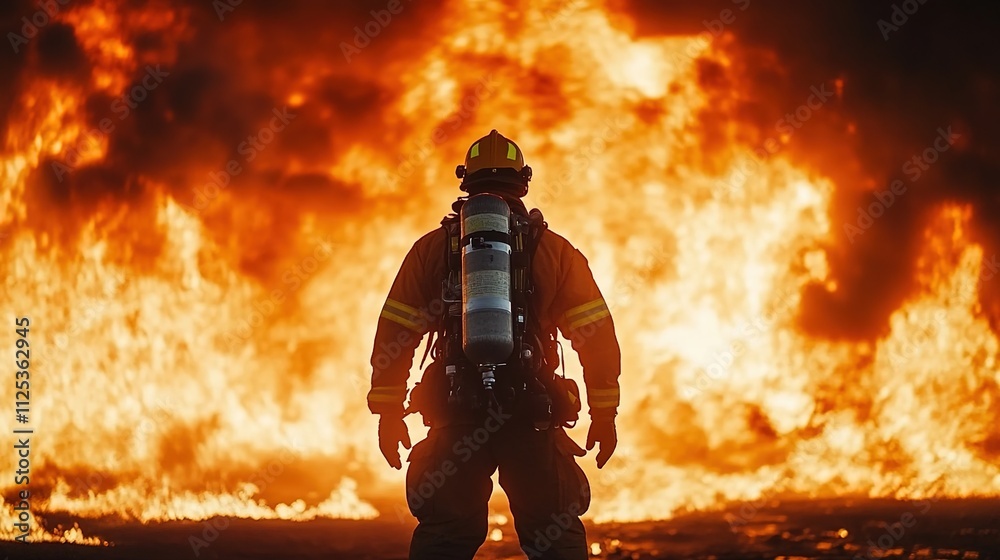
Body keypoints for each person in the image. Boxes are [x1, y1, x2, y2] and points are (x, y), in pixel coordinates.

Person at [367, 129, 621, 560]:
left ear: (465, 181)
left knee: (446, 535)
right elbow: (596, 338)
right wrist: (604, 412)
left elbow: (396, 333)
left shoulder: (432, 250)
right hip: (531, 415)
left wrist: (389, 412)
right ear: (523, 181)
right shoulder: (555, 251)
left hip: (455, 415)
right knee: (553, 534)